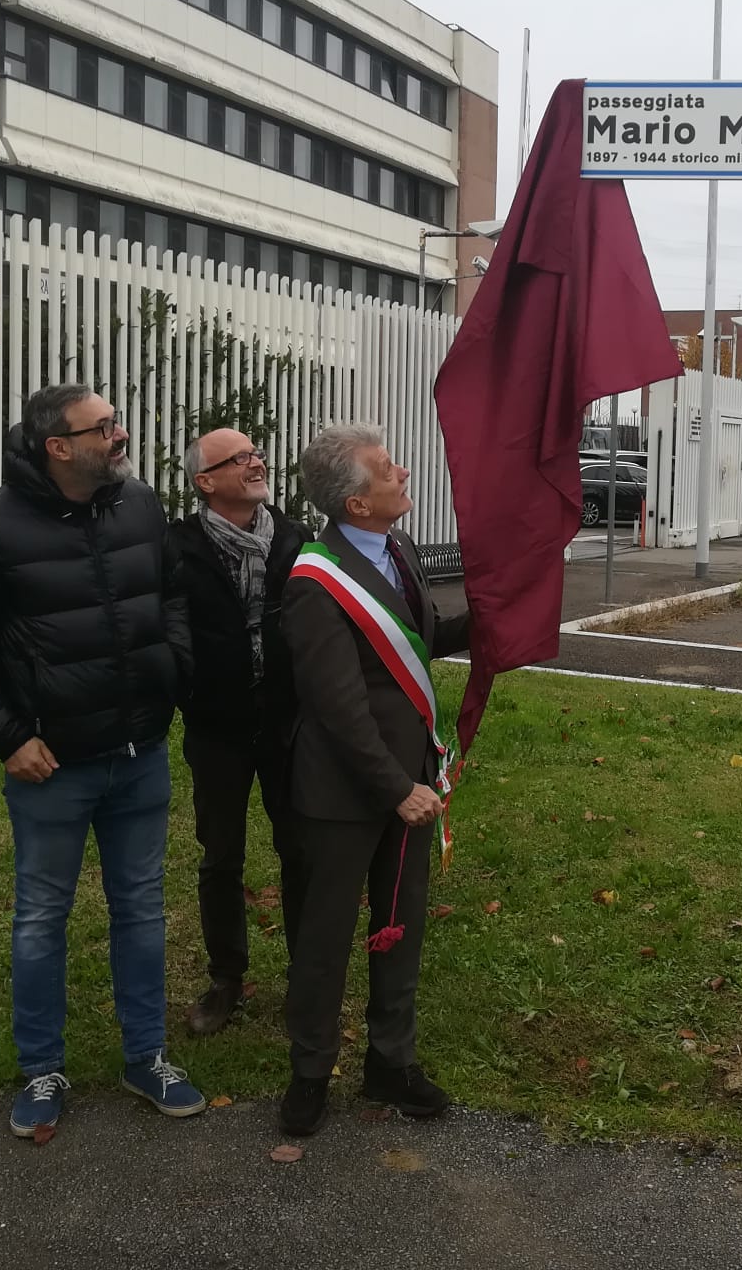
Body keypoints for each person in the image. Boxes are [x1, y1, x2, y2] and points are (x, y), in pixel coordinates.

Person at [0, 383, 204, 1139]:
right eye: (103, 427)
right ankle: (42, 1068)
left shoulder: (139, 506)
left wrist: (170, 673)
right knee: (42, 917)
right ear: (58, 446)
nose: (119, 436)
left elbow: (171, 595)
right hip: (53, 767)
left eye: (115, 422)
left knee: (142, 910)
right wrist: (9, 737)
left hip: (141, 752)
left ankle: (146, 1056)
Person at [277, 424, 470, 1137]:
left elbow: (420, 640)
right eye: (390, 469)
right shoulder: (313, 580)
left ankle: (390, 1062)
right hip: (345, 792)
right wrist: (395, 787)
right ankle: (310, 1071)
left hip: (408, 780)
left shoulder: (401, 549)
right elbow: (338, 708)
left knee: (399, 926)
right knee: (325, 936)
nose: (404, 472)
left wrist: (496, 620)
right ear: (356, 505)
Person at [171, 428, 308, 1036]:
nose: (257, 463)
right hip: (216, 728)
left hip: (286, 726)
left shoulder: (296, 540)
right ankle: (227, 978)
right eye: (241, 459)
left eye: (256, 454)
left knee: (299, 850)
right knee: (221, 856)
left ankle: (308, 976)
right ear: (207, 481)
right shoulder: (177, 547)